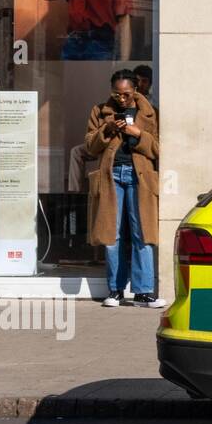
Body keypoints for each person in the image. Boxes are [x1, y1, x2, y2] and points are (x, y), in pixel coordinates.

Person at [85, 70, 163, 308]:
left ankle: (143, 291)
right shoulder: (100, 111)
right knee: (112, 234)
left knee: (143, 233)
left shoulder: (150, 113)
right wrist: (107, 130)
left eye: (126, 94)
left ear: (135, 90)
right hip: (111, 176)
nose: (121, 98)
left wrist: (137, 134)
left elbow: (159, 149)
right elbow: (90, 147)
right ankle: (116, 290)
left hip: (140, 177)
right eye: (116, 94)